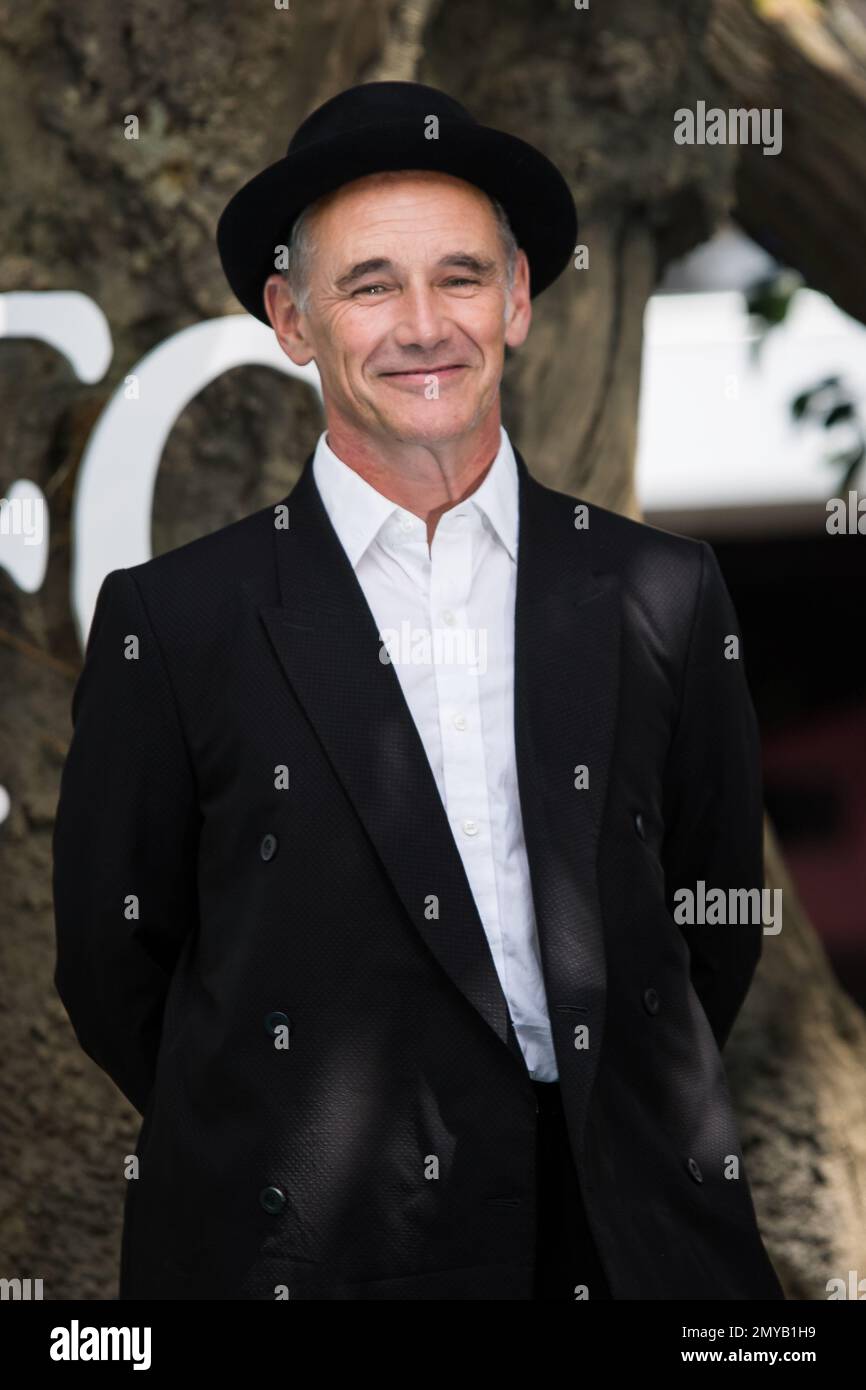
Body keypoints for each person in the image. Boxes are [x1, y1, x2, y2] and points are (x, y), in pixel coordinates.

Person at [52, 80, 785, 1301]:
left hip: (623, 1235)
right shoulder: (173, 622)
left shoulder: (665, 589)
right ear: (291, 319)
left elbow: (707, 918)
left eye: (456, 276)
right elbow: (116, 969)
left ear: (515, 300)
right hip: (311, 1246)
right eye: (369, 284)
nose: (421, 324)